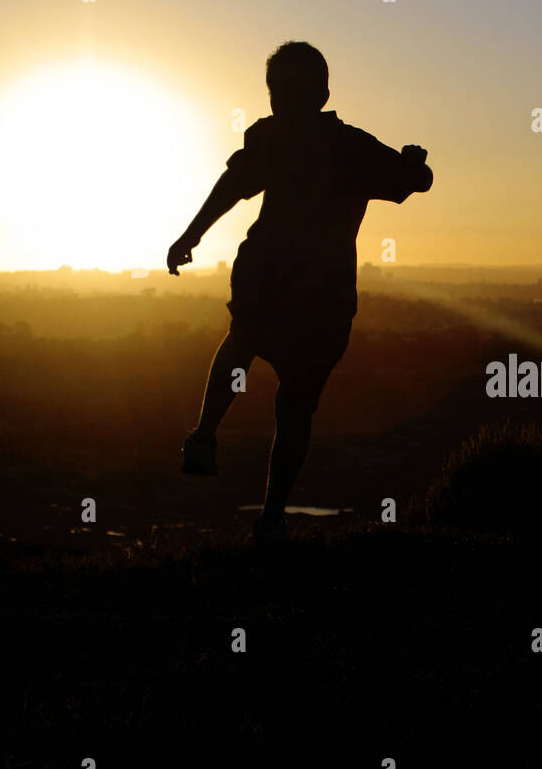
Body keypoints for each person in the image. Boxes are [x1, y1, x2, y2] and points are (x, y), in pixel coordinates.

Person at [166, 41, 433, 544]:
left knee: (243, 343)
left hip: (275, 276)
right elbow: (415, 182)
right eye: (276, 93)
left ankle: (204, 437)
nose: (278, 101)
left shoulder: (274, 137)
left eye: (282, 92)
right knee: (294, 407)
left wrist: (191, 235)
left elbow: (230, 186)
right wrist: (416, 165)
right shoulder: (351, 146)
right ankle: (270, 518)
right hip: (323, 295)